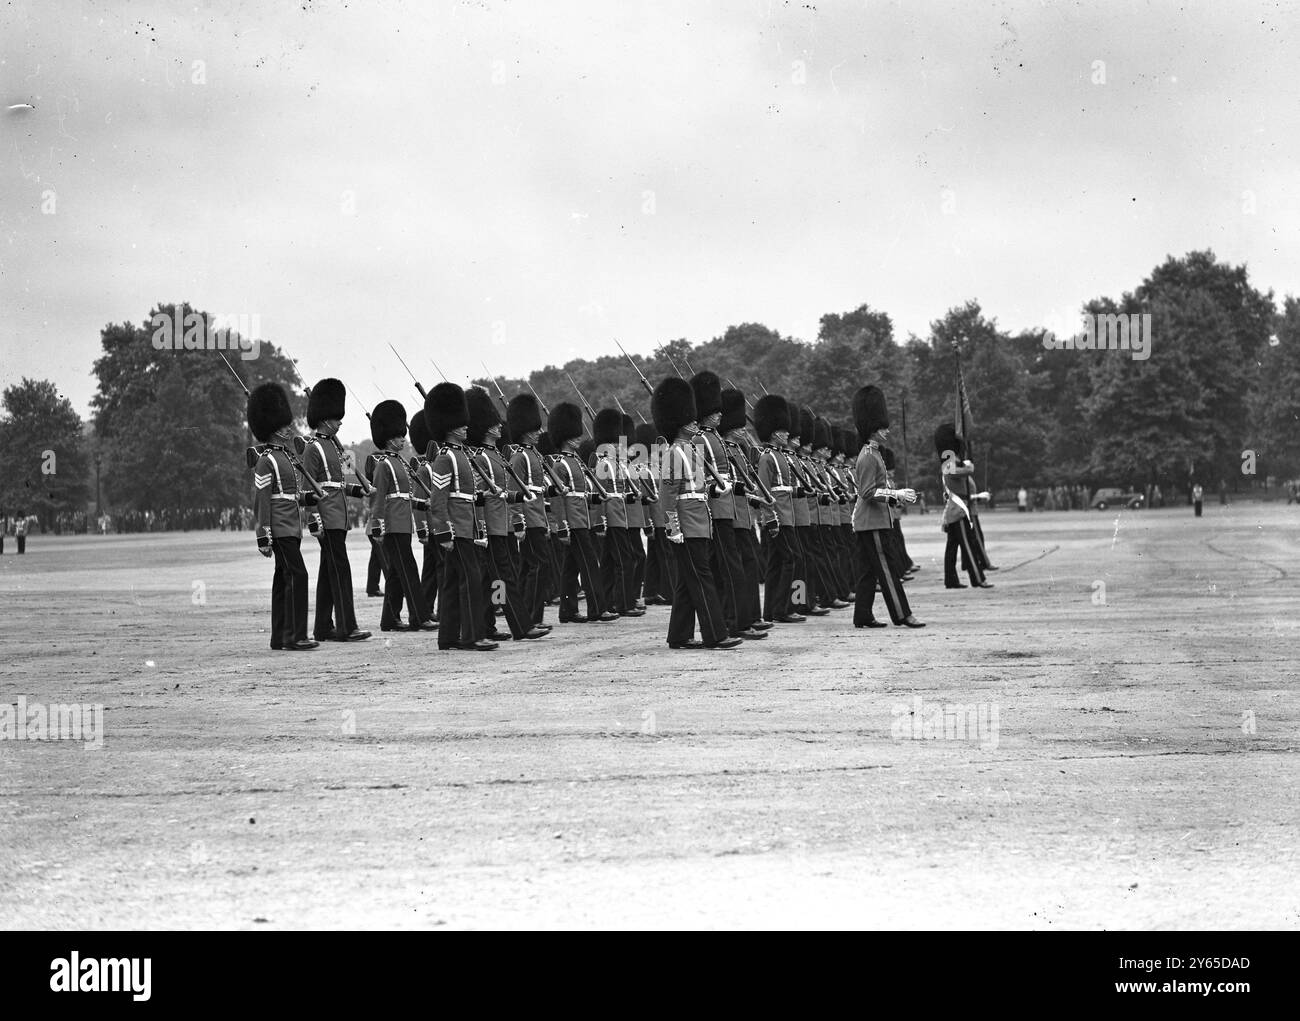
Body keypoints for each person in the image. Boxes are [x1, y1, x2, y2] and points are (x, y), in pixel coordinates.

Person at [652, 376, 741, 650]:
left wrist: (718, 491)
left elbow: (698, 489)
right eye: (689, 419)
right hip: (687, 526)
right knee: (702, 579)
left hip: (700, 522)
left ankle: (678, 635)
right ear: (678, 422)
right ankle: (715, 634)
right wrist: (673, 527)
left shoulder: (691, 450)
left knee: (687, 582)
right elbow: (667, 496)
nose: (694, 422)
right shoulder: (673, 454)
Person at [466, 386, 549, 642]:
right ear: (486, 427)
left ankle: (490, 623)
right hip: (489, 526)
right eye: (494, 424)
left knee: (496, 580)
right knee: (501, 577)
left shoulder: (496, 455)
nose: (500, 426)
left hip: (500, 524)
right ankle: (520, 626)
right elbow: (478, 496)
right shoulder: (480, 457)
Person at [690, 371, 765, 640]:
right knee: (728, 570)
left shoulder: (716, 439)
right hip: (717, 511)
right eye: (714, 411)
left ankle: (740, 620)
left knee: (735, 568)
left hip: (730, 510)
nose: (720, 414)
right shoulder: (700, 440)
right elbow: (701, 479)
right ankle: (735, 623)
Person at [426, 382, 497, 652]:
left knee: (454, 582)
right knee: (471, 580)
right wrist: (444, 532)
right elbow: (438, 498)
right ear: (449, 426)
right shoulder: (446, 458)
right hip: (457, 529)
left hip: (466, 526)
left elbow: (466, 495)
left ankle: (448, 637)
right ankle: (472, 635)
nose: (466, 426)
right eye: (461, 424)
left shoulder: (461, 455)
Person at [248, 383, 317, 651]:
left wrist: (310, 498)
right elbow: (262, 500)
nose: (288, 428)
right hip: (279, 528)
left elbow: (292, 495)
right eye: (283, 425)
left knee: (283, 579)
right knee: (298, 575)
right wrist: (263, 536)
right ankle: (295, 635)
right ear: (273, 427)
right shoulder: (267, 460)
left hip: (291, 526)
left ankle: (279, 636)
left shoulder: (285, 457)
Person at [302, 378, 371, 643]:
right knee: (339, 570)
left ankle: (323, 626)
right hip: (327, 517)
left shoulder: (335, 446)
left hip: (338, 516)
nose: (340, 422)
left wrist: (362, 490)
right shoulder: (313, 447)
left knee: (329, 572)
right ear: (325, 419)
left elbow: (341, 483)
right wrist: (314, 518)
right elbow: (309, 487)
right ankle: (346, 625)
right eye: (336, 418)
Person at [851, 386, 924, 629]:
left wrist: (896, 497)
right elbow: (867, 492)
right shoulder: (869, 456)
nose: (887, 431)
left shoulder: (873, 454)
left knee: (868, 572)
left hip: (871, 520)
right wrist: (896, 493)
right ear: (873, 428)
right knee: (887, 569)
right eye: (883, 427)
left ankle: (862, 616)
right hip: (872, 522)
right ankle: (902, 614)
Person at [368, 400, 435, 633]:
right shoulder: (383, 464)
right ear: (389, 438)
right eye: (398, 436)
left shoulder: (400, 462)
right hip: (392, 525)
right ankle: (420, 616)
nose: (403, 439)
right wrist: (378, 525)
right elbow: (379, 498)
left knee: (397, 574)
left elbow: (404, 496)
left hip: (403, 523)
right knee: (408, 569)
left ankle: (389, 619)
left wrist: (423, 503)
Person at [550, 401, 617, 624]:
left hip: (583, 518)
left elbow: (583, 493)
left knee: (570, 568)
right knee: (590, 565)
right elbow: (559, 499)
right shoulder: (561, 464)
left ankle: (567, 611)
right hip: (574, 521)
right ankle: (597, 608)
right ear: (565, 436)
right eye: (573, 435)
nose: (578, 437)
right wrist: (563, 526)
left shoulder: (576, 461)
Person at [508, 393, 559, 628]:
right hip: (529, 519)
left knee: (531, 567)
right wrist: (518, 520)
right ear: (526, 430)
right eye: (535, 429)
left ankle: (528, 616)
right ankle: (531, 616)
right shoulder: (520, 457)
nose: (540, 433)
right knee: (538, 566)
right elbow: (515, 490)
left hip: (538, 517)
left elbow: (537, 490)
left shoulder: (533, 455)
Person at [753, 394, 804, 624]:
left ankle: (772, 611)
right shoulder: (767, 458)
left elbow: (784, 488)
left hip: (787, 515)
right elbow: (763, 491)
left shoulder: (781, 456)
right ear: (775, 433)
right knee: (791, 559)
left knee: (776, 564)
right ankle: (783, 609)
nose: (788, 434)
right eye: (784, 431)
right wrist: (770, 519)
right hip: (778, 518)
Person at [936, 423, 991, 590]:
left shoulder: (952, 458)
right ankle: (977, 578)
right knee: (968, 545)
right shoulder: (948, 460)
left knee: (952, 547)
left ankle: (951, 580)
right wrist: (969, 467)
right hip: (959, 509)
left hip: (957, 509)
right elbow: (955, 471)